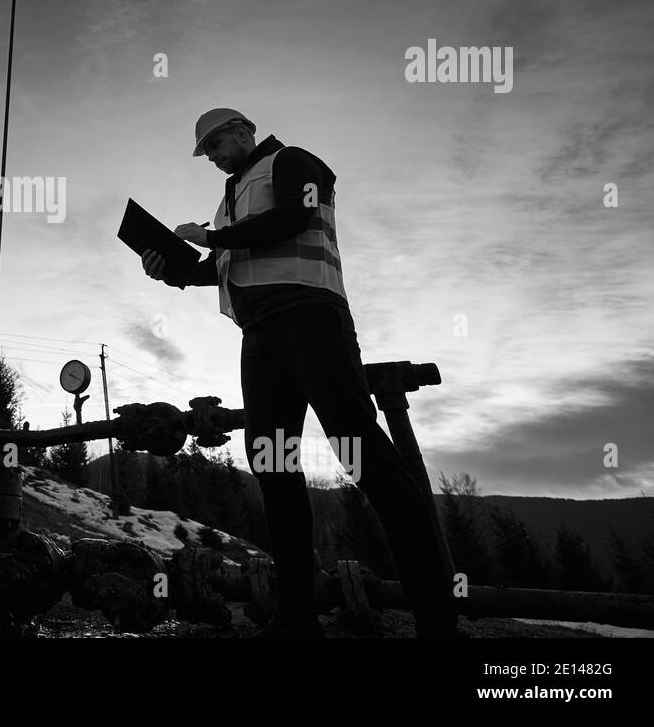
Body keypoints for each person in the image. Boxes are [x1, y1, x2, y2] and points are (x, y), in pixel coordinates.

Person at [140, 108, 461, 638]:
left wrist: (212, 237)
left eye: (218, 144)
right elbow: (220, 267)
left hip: (312, 321)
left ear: (244, 129)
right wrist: (170, 271)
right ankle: (296, 617)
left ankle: (437, 620)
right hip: (260, 336)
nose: (215, 156)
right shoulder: (231, 198)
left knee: (365, 456)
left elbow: (292, 219)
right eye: (208, 152)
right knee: (273, 467)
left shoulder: (293, 161)